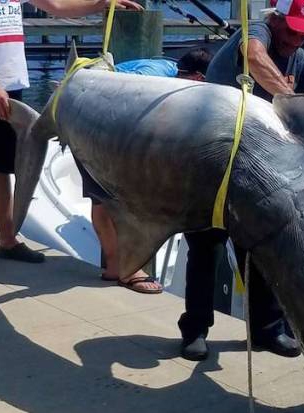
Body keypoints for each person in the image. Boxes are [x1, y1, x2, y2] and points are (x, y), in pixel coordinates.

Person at [0, 0, 143, 277]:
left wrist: (103, 4)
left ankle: (8, 241)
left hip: (10, 88)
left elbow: (57, 6)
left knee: (2, 168)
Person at [179, 0, 304, 361]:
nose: (296, 40)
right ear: (275, 20)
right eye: (291, 30)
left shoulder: (298, 57)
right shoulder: (254, 33)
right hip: (212, 164)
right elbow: (255, 56)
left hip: (255, 170)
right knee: (207, 249)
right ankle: (195, 329)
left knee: (262, 249)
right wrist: (292, 101)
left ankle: (266, 328)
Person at [75, 48, 213, 294]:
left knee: (106, 200)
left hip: (105, 125)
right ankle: (122, 269)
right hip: (88, 123)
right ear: (198, 78)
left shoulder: (173, 78)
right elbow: (119, 98)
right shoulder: (153, 78)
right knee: (105, 200)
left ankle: (117, 268)